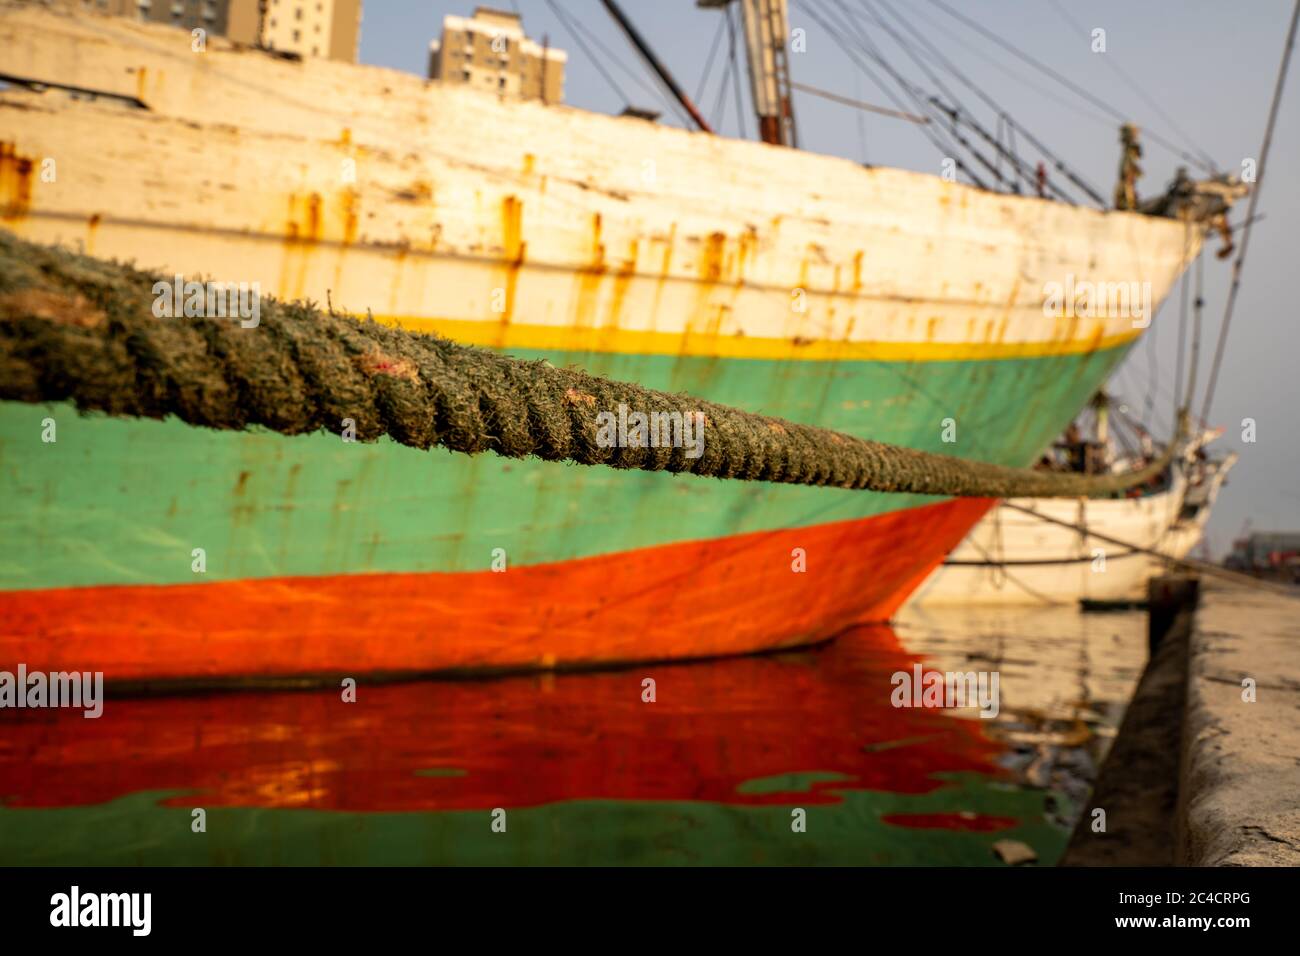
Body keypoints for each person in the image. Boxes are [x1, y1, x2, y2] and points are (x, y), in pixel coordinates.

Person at [1114, 123, 1142, 211]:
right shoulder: (1127, 150)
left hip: (1127, 182)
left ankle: (1128, 206)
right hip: (1125, 182)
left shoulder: (1131, 149)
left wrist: (1131, 173)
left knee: (1127, 194)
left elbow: (1132, 166)